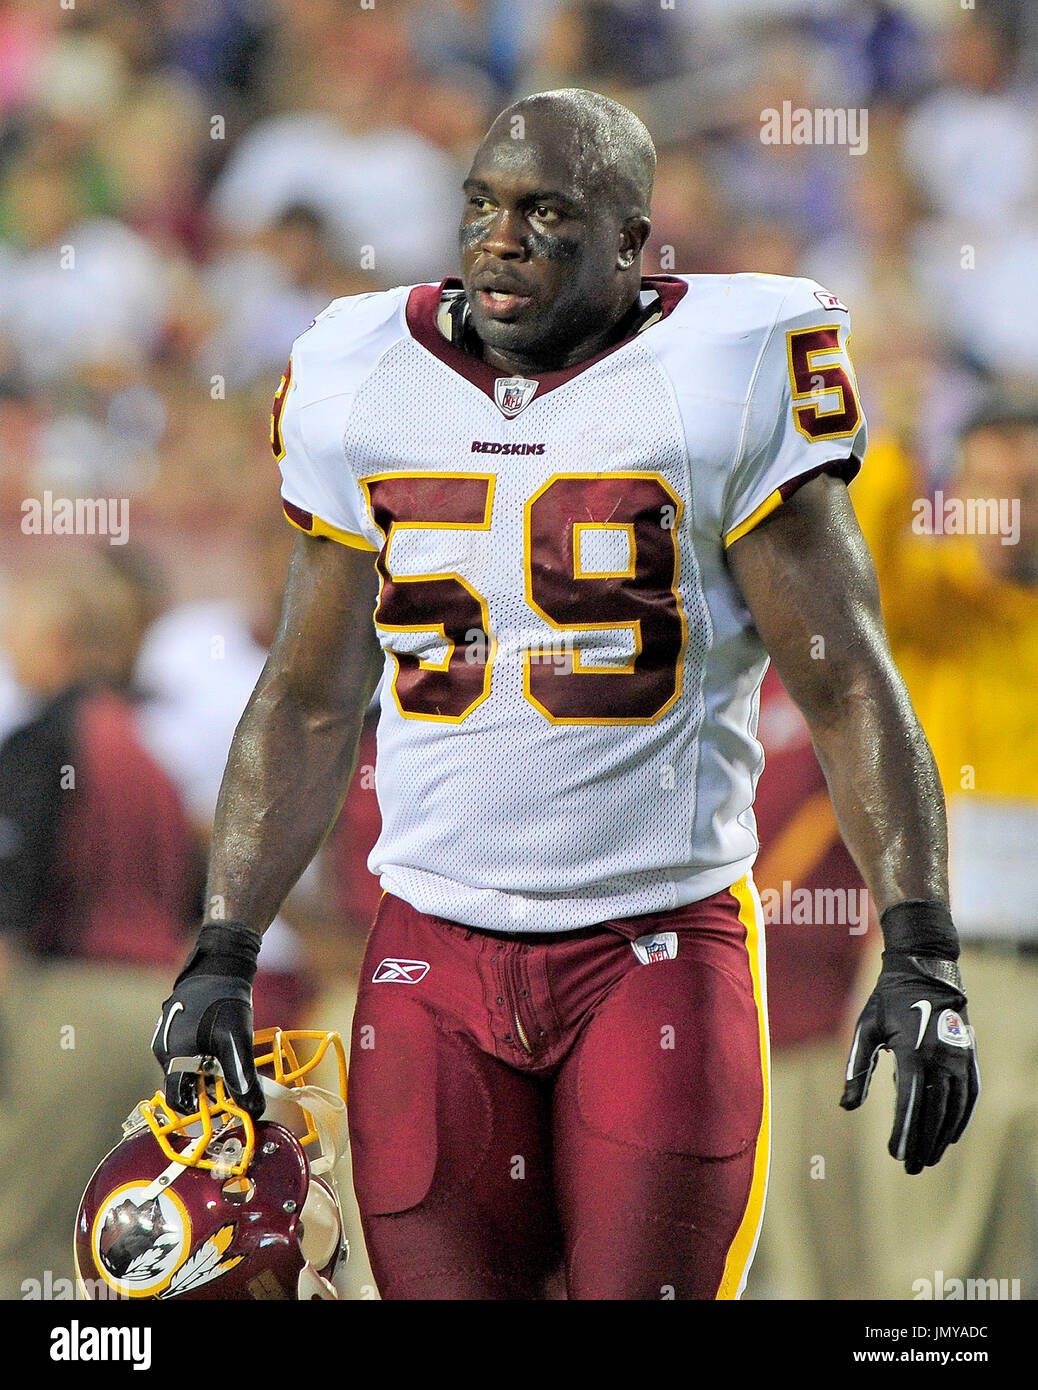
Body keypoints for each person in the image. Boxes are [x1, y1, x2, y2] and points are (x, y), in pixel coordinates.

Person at [152, 88, 979, 1301]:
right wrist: (220, 948)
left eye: (547, 212)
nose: (500, 237)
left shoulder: (730, 367)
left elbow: (848, 679)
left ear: (634, 241)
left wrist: (922, 947)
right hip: (428, 951)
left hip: (654, 942)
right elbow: (310, 697)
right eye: (482, 205)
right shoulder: (360, 367)